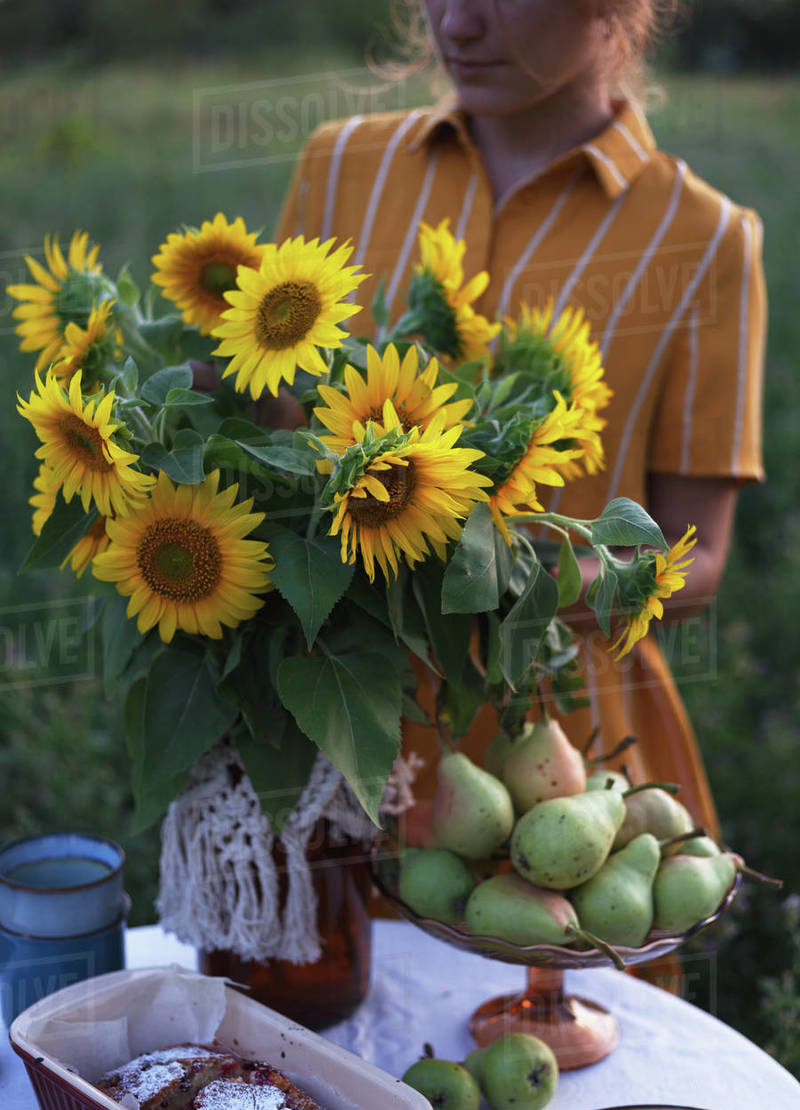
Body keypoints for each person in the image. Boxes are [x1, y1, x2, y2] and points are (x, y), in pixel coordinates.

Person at [272, 1, 766, 849]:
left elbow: (698, 557)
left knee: (539, 963)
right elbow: (275, 435)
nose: (455, 26)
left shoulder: (704, 238)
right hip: (334, 719)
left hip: (554, 750)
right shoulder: (345, 166)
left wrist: (512, 590)